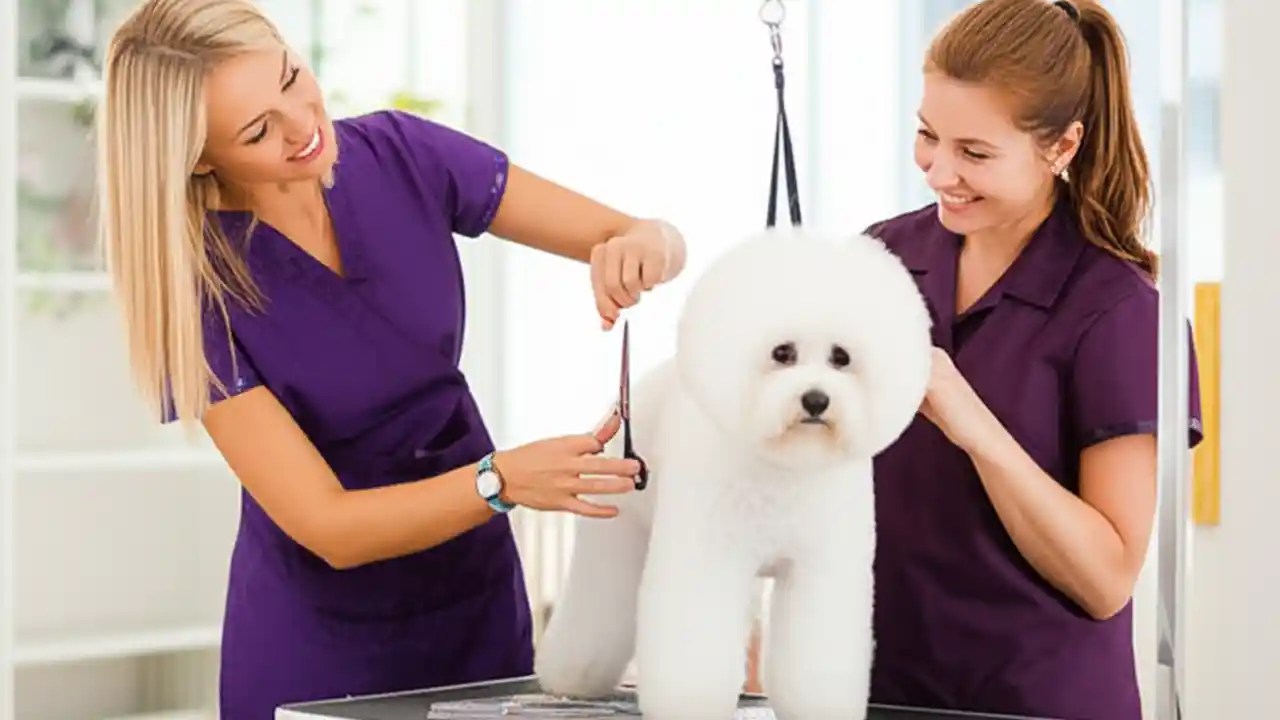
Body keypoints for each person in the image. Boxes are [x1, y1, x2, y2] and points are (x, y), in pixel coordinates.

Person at [96, 0, 686, 717]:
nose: (303, 125)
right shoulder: (197, 290)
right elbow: (329, 527)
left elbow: (640, 234)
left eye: (291, 78)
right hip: (320, 641)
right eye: (257, 131)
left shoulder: (402, 154)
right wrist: (501, 480)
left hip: (475, 600)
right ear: (195, 158)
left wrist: (642, 248)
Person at [861, 1, 1203, 718]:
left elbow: (1107, 578)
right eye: (927, 136)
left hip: (1037, 703)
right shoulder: (882, 260)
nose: (939, 171)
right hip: (880, 693)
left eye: (975, 153)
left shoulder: (1118, 311)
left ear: (1062, 146)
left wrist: (971, 422)